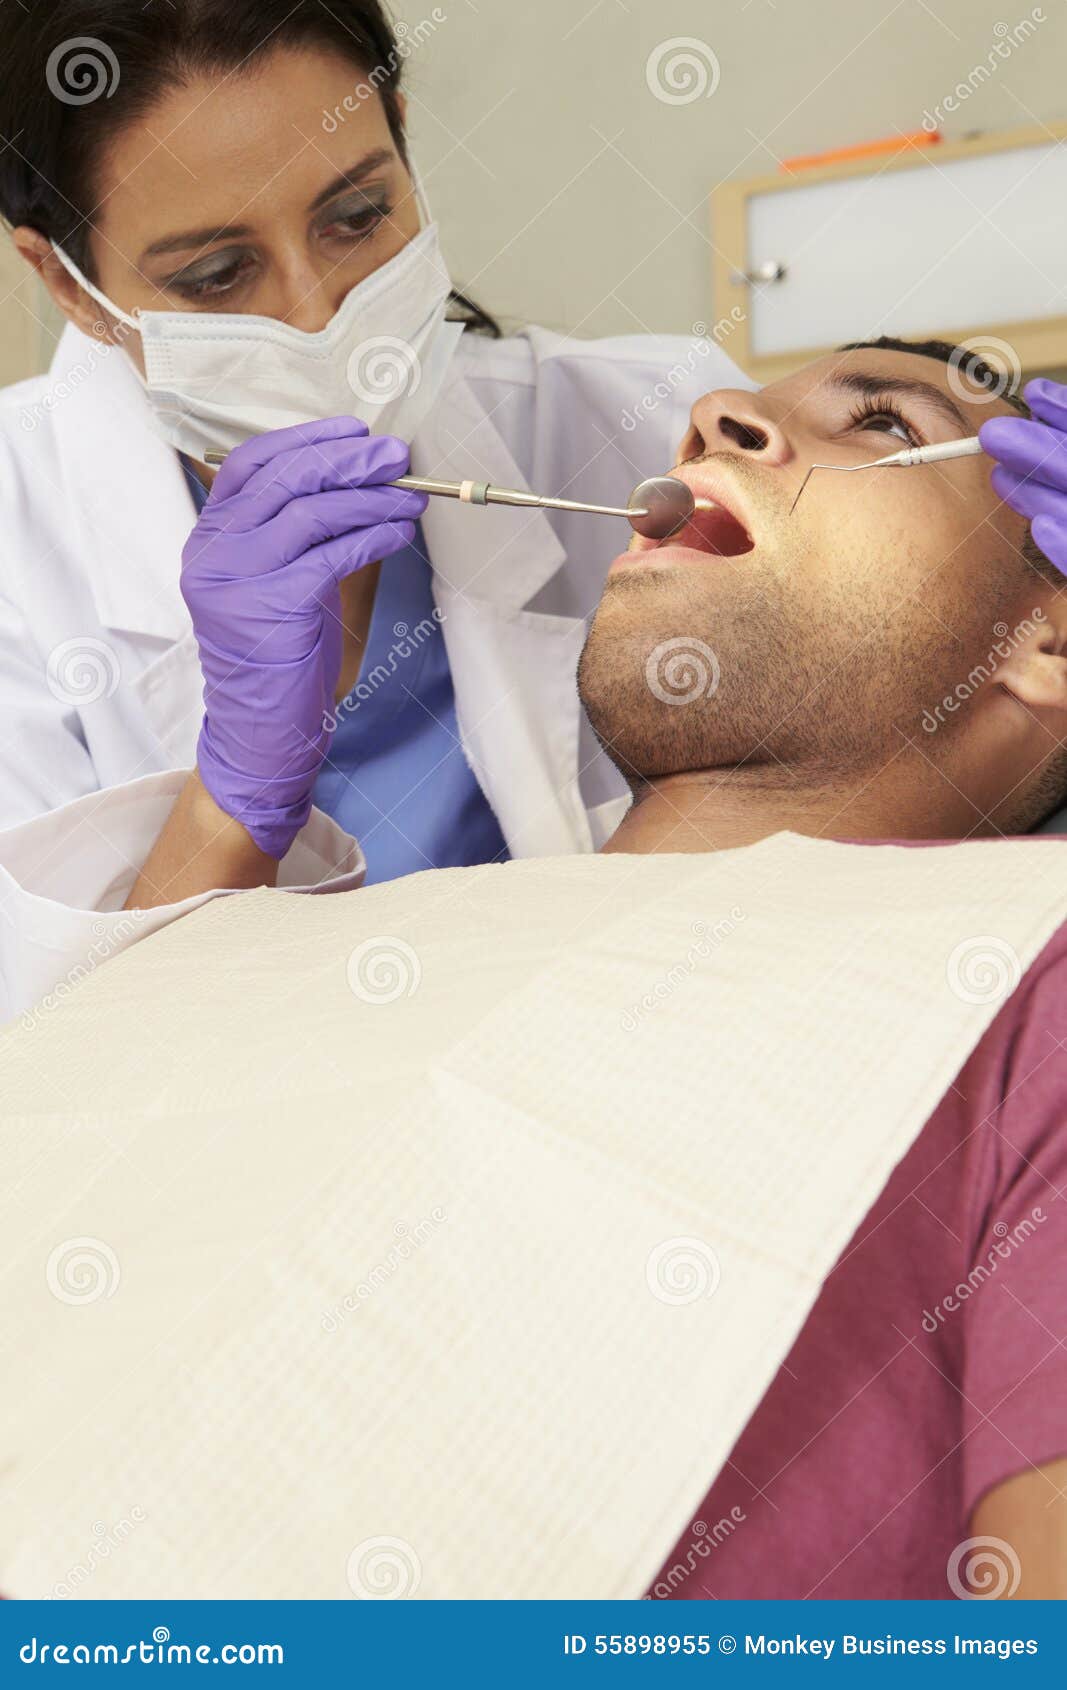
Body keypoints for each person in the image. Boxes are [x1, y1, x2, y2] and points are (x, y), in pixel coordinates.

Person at [3, 337, 1067, 1599]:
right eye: (729, 410)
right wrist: (231, 803)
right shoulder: (340, 946)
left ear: (1048, 643)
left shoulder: (1023, 976)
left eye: (885, 423)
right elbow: (96, 1150)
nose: (713, 415)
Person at [0, 0, 745, 1019]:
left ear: (398, 131)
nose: (318, 316)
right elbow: (54, 1089)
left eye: (355, 216)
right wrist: (231, 800)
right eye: (216, 276)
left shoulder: (647, 427)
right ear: (67, 284)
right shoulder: (18, 528)